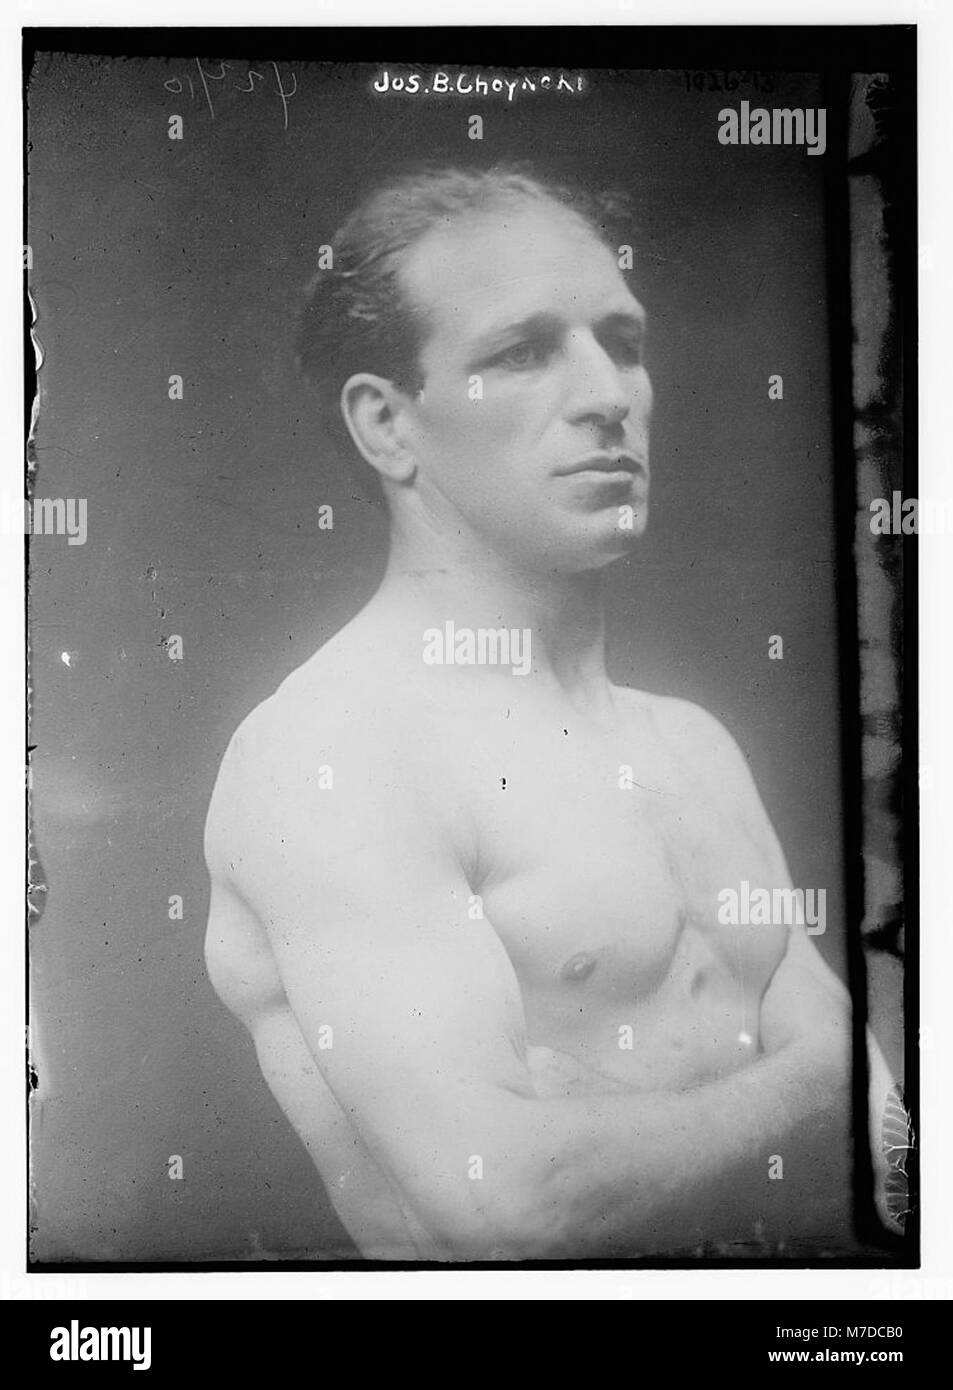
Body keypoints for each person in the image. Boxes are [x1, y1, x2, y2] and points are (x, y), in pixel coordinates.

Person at [203, 165, 897, 1260]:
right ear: (387, 425)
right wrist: (815, 1078)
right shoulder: (332, 752)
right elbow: (505, 1208)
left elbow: (892, 1156)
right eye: (521, 351)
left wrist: (636, 1122)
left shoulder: (690, 745)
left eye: (619, 341)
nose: (607, 394)